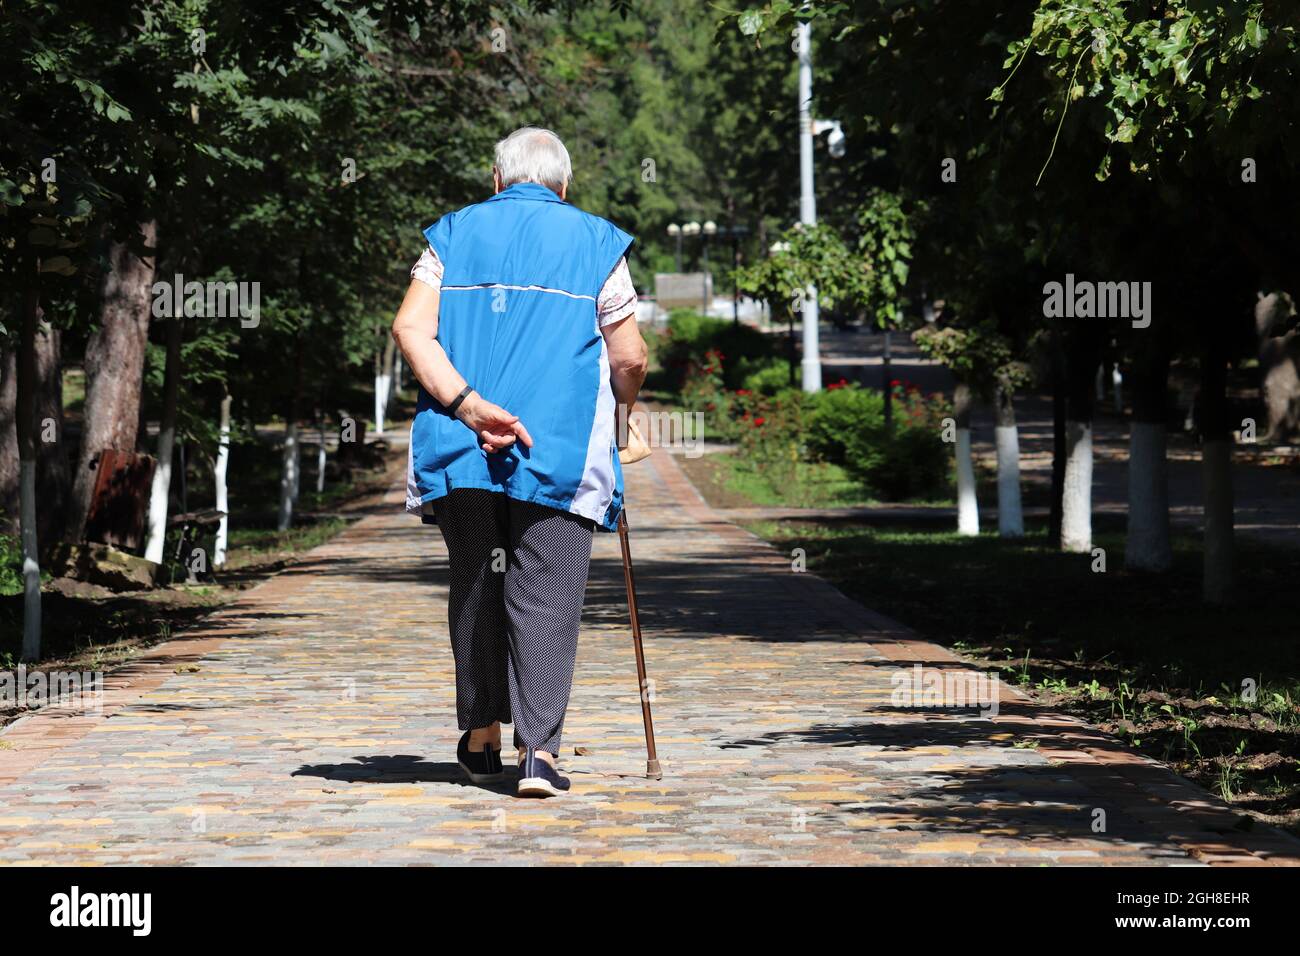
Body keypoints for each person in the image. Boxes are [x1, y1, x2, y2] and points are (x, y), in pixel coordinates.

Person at [391, 127, 648, 798]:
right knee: (547, 596)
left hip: (462, 447)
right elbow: (630, 356)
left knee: (477, 588)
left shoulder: (450, 236)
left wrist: (470, 406)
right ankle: (538, 755)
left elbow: (410, 329)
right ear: (564, 189)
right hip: (557, 450)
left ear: (497, 182)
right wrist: (623, 417)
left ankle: (480, 743)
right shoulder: (595, 241)